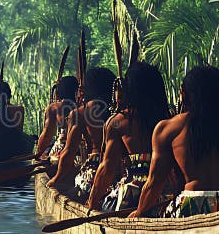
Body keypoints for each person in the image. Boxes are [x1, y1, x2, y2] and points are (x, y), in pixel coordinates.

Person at [128, 65, 219, 218]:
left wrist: (139, 213)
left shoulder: (168, 129)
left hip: (190, 207)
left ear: (184, 94)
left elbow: (154, 183)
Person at [85, 62, 175, 211]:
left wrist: (91, 202)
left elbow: (108, 168)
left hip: (133, 196)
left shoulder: (118, 122)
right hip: (167, 196)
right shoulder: (171, 120)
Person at [47, 67, 116, 197]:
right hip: (118, 174)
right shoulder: (119, 111)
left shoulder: (80, 113)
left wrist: (55, 180)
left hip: (93, 175)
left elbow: (68, 153)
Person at [36, 75, 79, 161]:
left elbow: (46, 135)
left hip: (60, 152)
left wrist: (37, 154)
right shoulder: (82, 108)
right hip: (78, 151)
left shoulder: (54, 108)